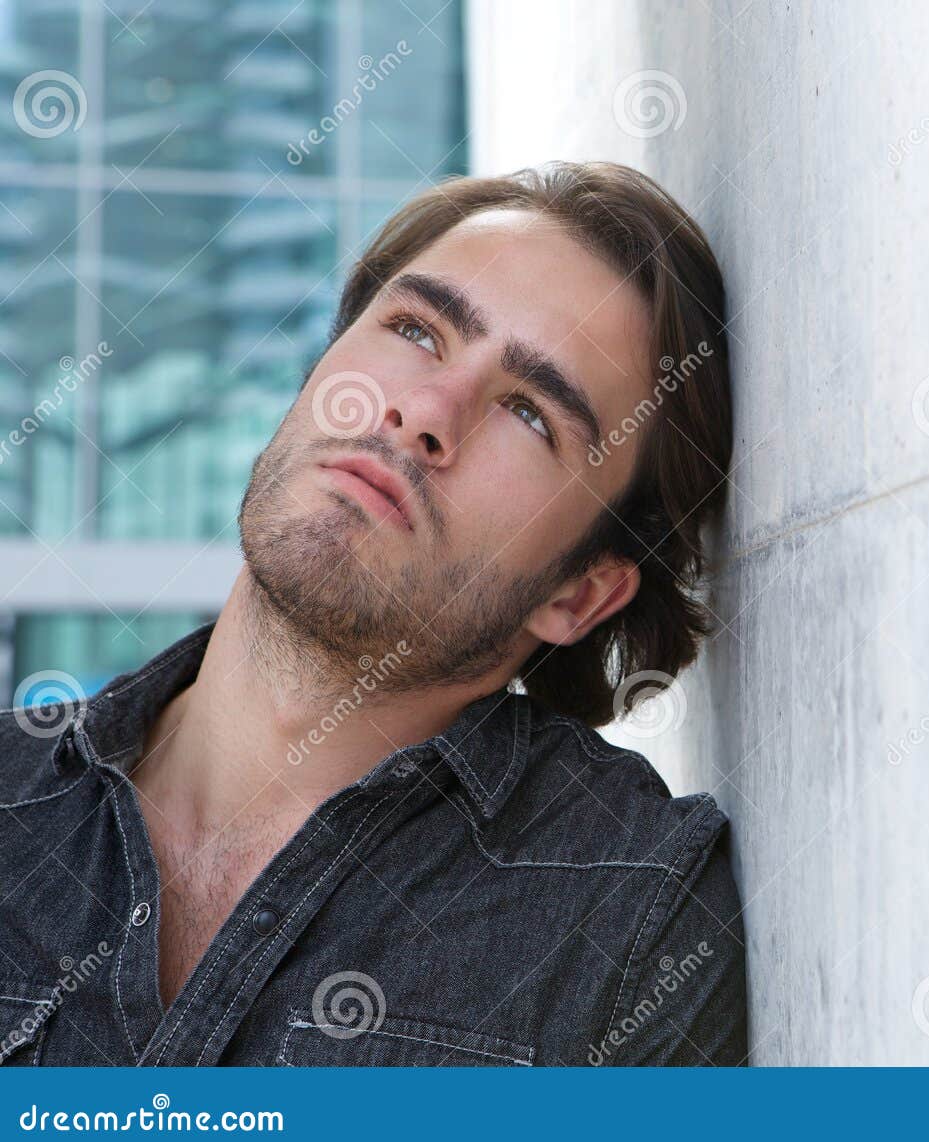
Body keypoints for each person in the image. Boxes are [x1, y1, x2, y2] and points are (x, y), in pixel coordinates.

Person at [0, 162, 745, 1066]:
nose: (422, 411)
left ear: (578, 594)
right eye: (415, 329)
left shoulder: (631, 925)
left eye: (531, 413)